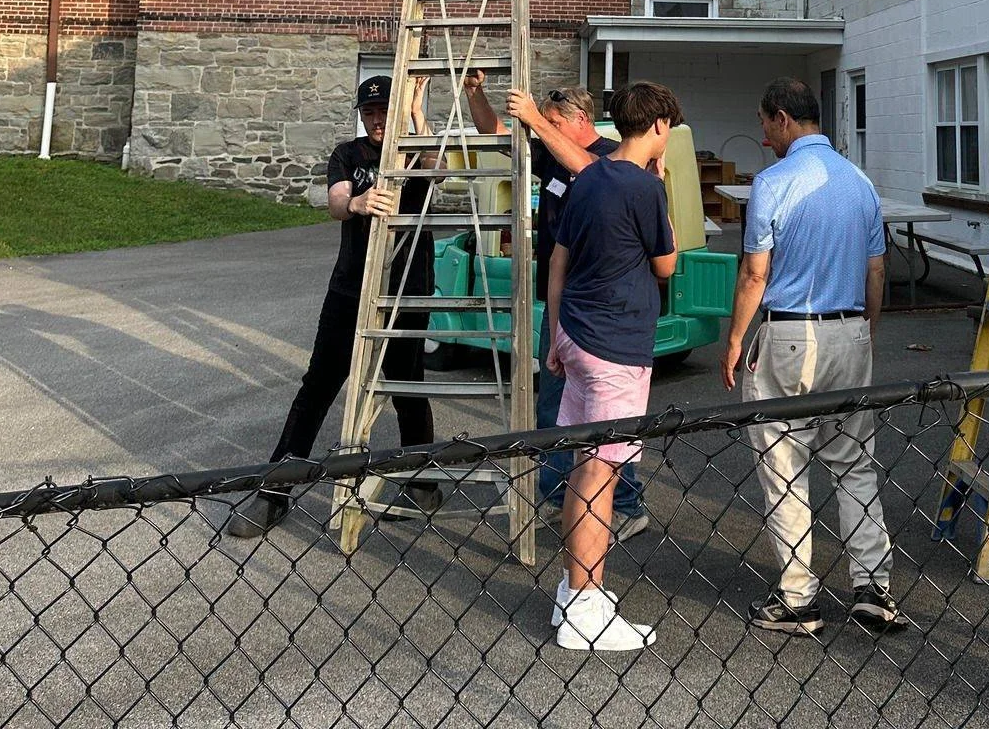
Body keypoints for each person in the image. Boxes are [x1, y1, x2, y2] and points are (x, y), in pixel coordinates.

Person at [721, 77, 908, 635]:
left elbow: (755, 272)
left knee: (785, 463)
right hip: (850, 330)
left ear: (782, 118)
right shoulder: (860, 182)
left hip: (789, 333)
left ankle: (798, 597)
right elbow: (876, 269)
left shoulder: (773, 182)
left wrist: (735, 339)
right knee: (853, 462)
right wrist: (865, 331)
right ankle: (873, 589)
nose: (764, 135)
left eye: (764, 123)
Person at [228, 74, 442, 539]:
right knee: (319, 383)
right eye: (370, 112)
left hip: (406, 286)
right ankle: (274, 491)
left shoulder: (415, 147)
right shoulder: (349, 153)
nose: (377, 120)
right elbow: (336, 201)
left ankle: (423, 483)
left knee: (406, 384)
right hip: (351, 286)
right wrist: (359, 202)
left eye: (385, 110)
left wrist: (417, 114)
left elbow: (436, 167)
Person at [461, 73, 647, 535]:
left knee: (607, 415)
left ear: (580, 119)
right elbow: (494, 133)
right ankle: (558, 496)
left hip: (602, 303)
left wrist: (533, 119)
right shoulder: (549, 151)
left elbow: (589, 170)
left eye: (551, 123)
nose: (542, 130)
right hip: (562, 300)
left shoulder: (611, 157)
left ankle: (627, 505)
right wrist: (475, 94)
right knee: (554, 403)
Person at [544, 81, 680, 651]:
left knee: (585, 464)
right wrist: (663, 188)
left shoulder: (588, 177)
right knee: (603, 473)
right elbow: (667, 264)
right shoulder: (644, 187)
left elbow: (559, 260)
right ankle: (585, 608)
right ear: (659, 126)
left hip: (576, 333)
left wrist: (555, 336)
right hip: (615, 346)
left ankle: (577, 591)